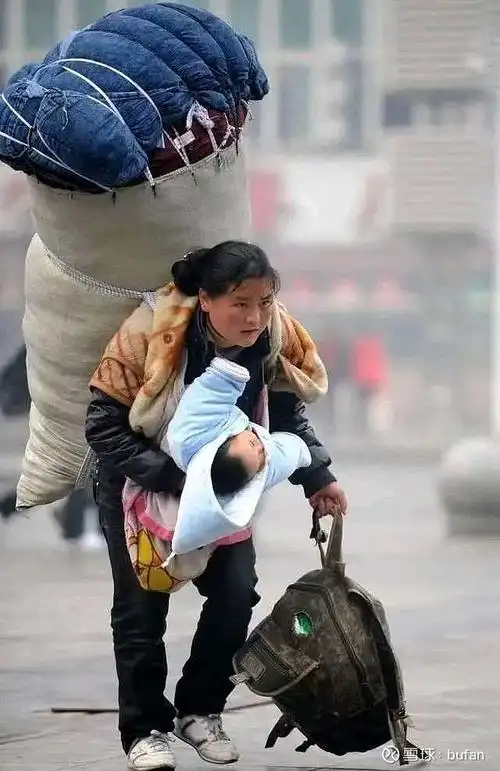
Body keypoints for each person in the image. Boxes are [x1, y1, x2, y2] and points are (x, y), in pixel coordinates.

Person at [85, 241, 347, 771]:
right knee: (140, 612)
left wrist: (318, 477)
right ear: (206, 299)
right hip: (137, 485)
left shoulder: (271, 340)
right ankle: (144, 730)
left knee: (235, 594)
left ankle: (200, 709)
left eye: (265, 302)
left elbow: (286, 416)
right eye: (241, 303)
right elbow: (101, 427)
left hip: (221, 493)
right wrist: (181, 478)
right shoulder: (148, 336)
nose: (255, 317)